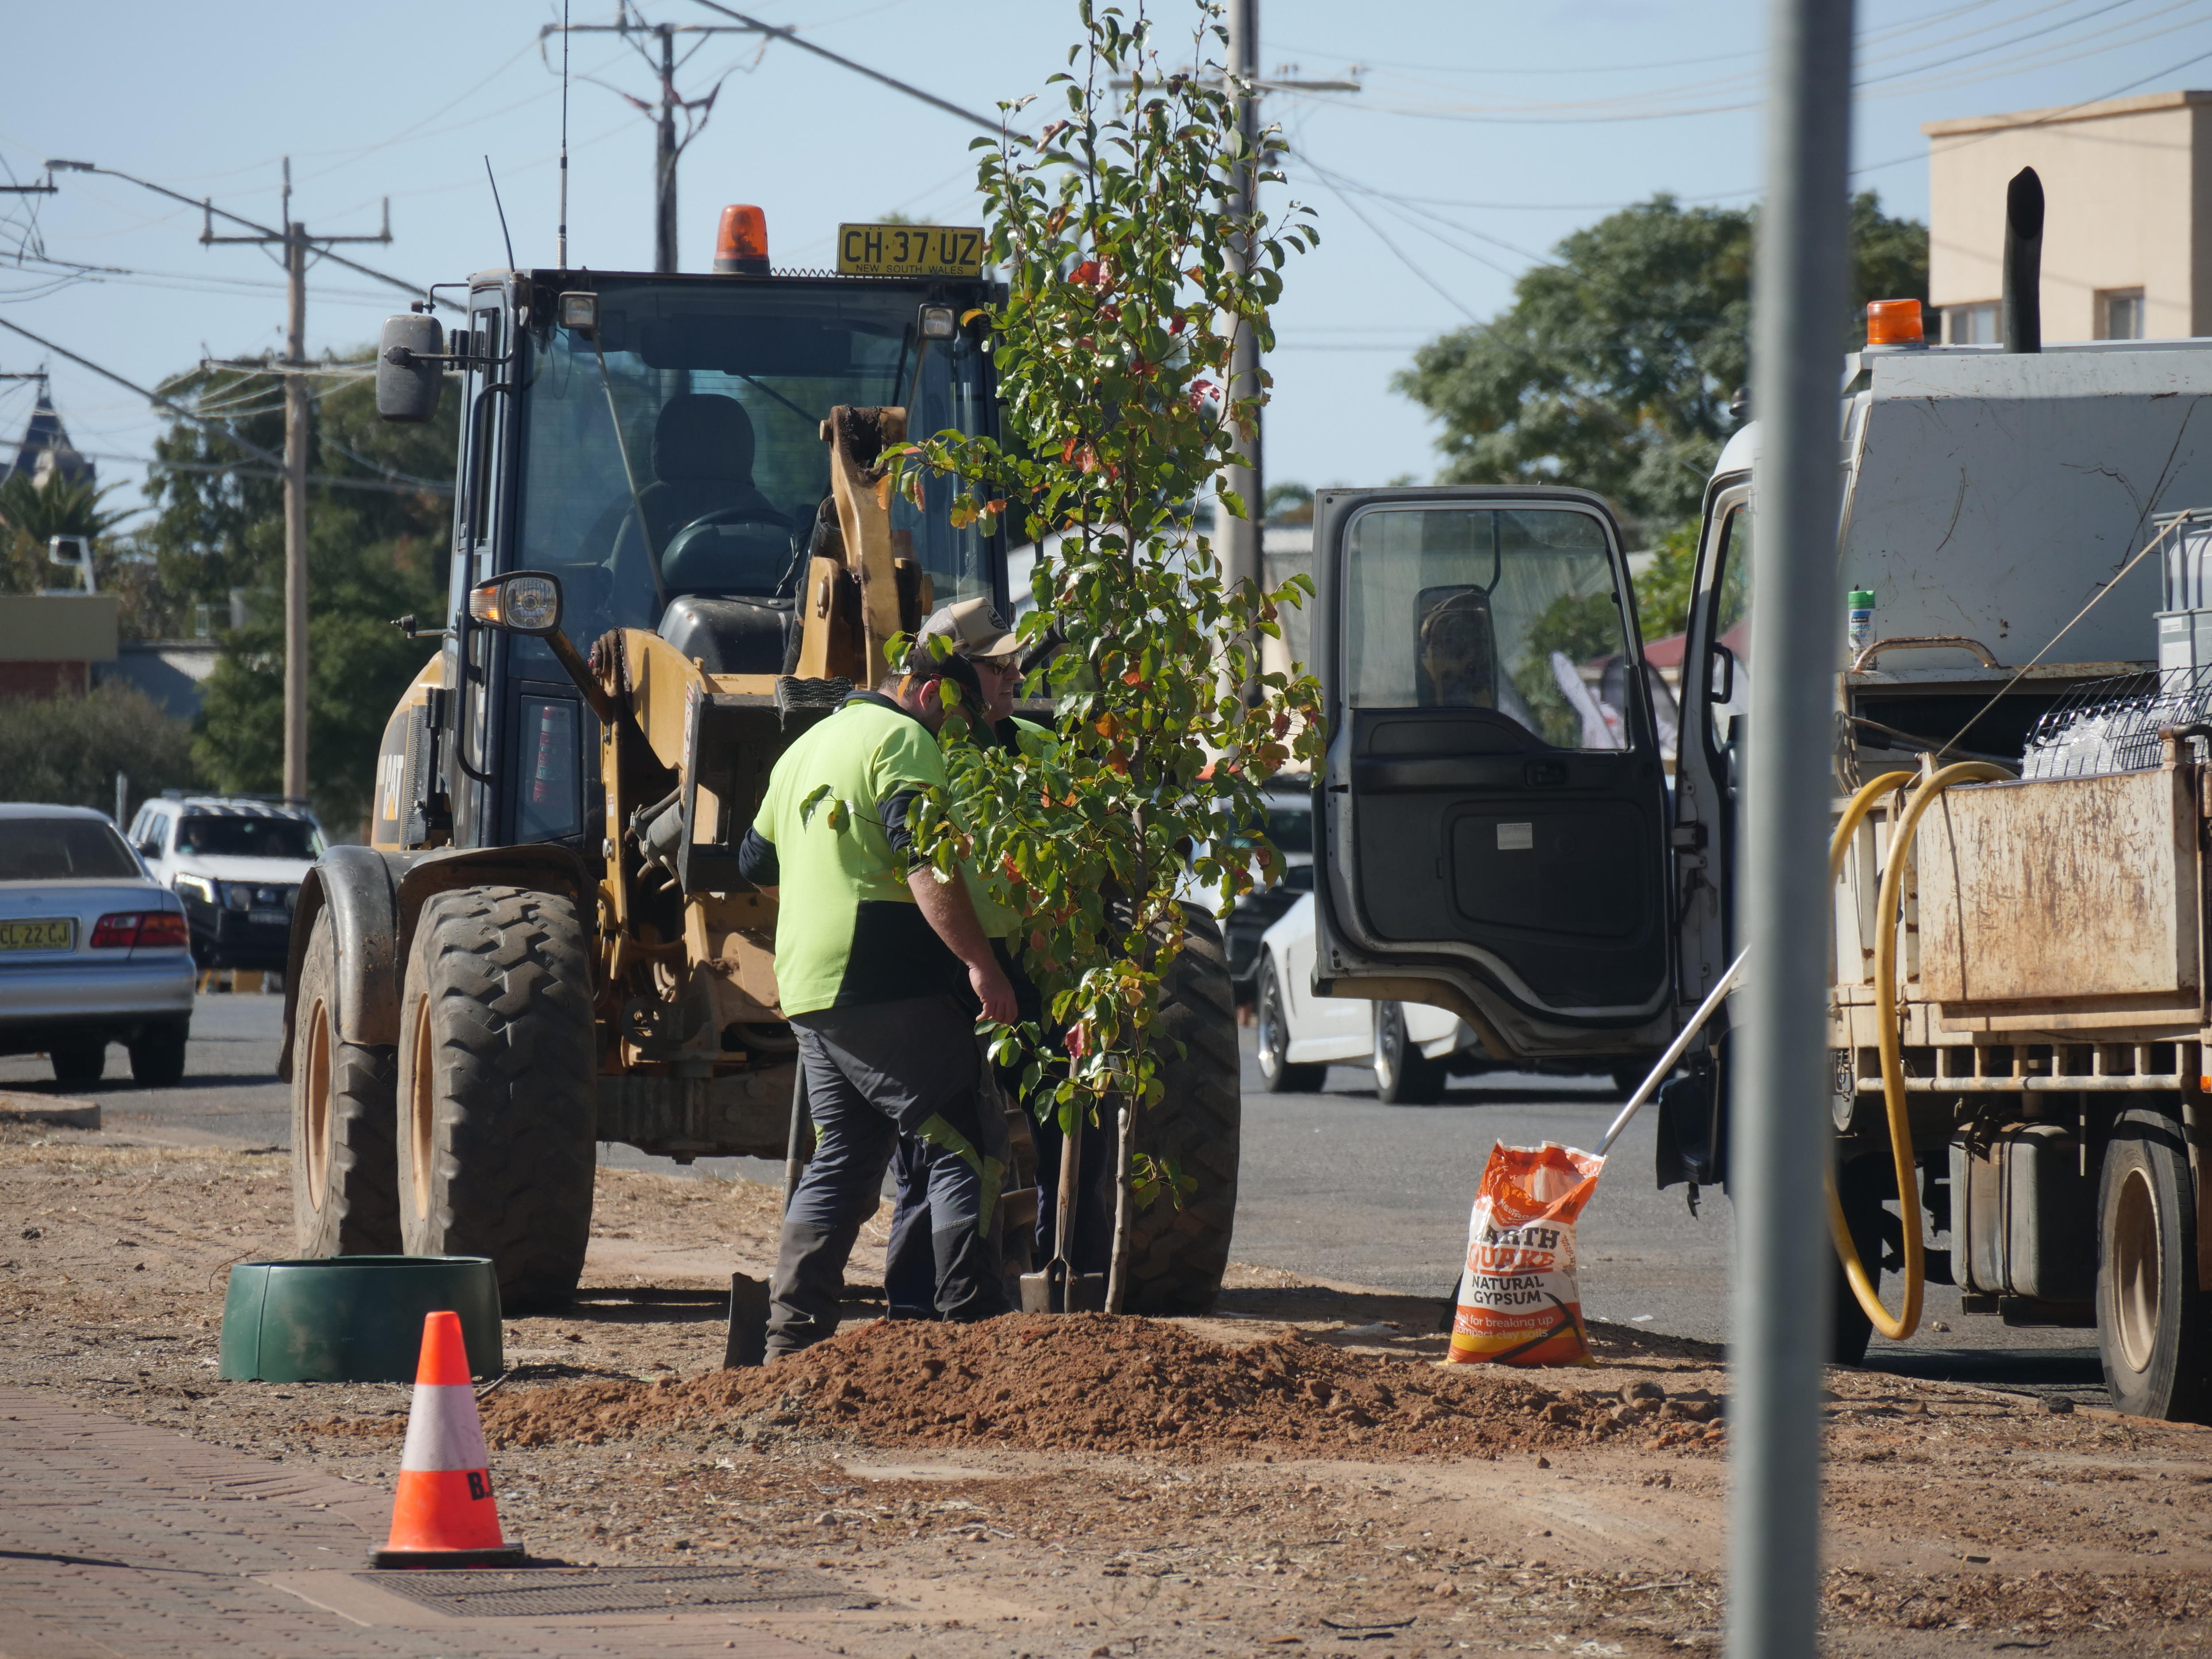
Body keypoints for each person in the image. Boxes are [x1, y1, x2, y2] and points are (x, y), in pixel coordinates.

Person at [737, 635, 1017, 1357]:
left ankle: (790, 1346)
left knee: (848, 1160)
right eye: (954, 720)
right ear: (928, 694)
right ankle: (974, 1337)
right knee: (972, 1141)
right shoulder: (903, 740)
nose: (954, 737)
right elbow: (922, 856)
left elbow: (754, 861)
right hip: (883, 978)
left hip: (808, 986)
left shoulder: (808, 746)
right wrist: (982, 964)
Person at [881, 599, 1111, 1317]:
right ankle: (932, 1303)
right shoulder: (926, 754)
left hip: (1037, 971)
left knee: (1075, 1123)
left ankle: (1065, 1275)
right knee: (946, 1141)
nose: (1013, 675)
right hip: (951, 974)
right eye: (994, 665)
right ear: (949, 680)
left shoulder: (1039, 750)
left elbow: (1082, 853)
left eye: (1013, 661)